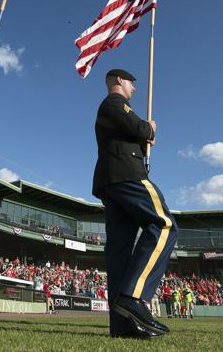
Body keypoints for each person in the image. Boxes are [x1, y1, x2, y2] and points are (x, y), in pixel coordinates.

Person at [93, 68, 177, 339]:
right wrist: (149, 128)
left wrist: (144, 138)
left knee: (120, 252)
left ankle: (123, 326)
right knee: (164, 224)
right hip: (126, 174)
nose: (135, 89)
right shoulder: (114, 102)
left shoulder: (114, 109)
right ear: (119, 80)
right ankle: (133, 295)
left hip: (111, 180)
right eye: (132, 83)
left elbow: (136, 137)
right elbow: (139, 128)